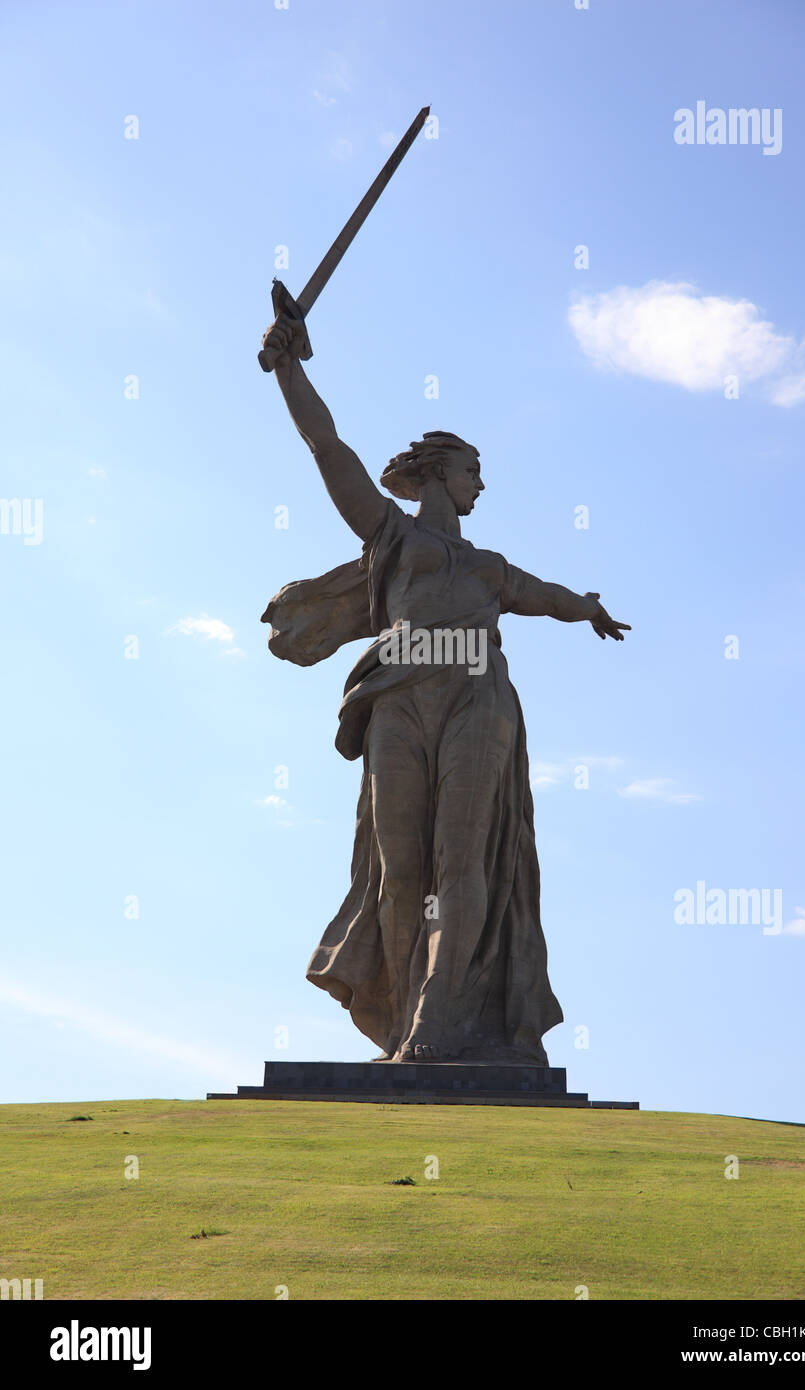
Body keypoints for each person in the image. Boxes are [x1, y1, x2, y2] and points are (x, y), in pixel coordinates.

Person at [260, 312, 630, 1064]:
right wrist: (291, 370)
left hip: (477, 695)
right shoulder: (391, 535)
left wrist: (588, 607)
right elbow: (328, 448)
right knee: (401, 868)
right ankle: (402, 1026)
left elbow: (548, 595)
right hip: (399, 691)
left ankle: (436, 1023)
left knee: (463, 861)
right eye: (471, 471)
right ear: (437, 473)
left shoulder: (490, 569)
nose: (480, 484)